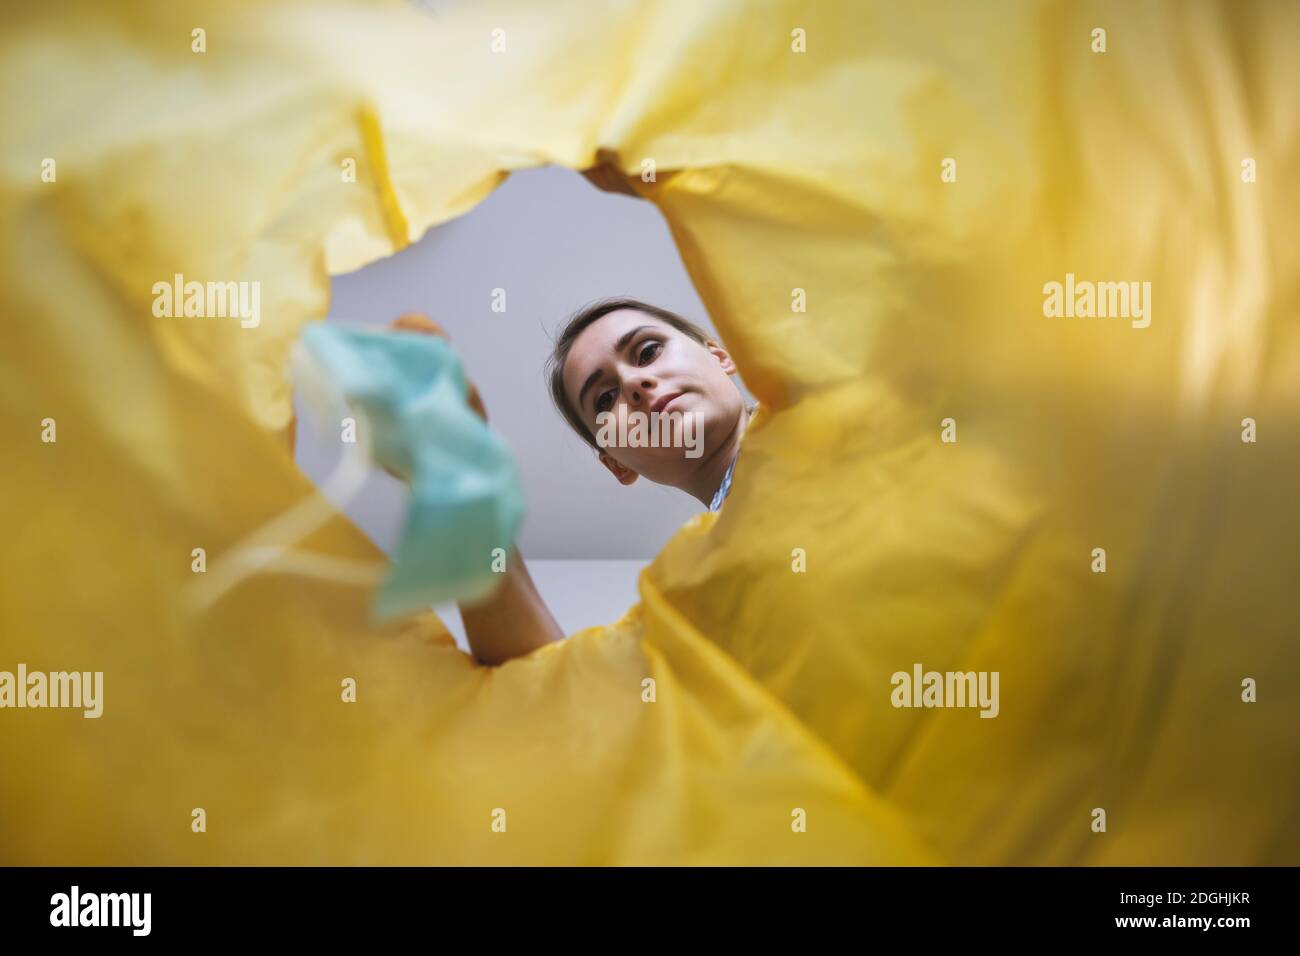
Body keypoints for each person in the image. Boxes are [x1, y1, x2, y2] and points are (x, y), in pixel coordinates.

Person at [389, 299, 755, 665]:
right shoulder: (701, 596)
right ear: (617, 465)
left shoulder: (807, 404)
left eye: (647, 352)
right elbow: (566, 700)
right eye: (606, 399)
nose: (634, 383)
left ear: (719, 354)